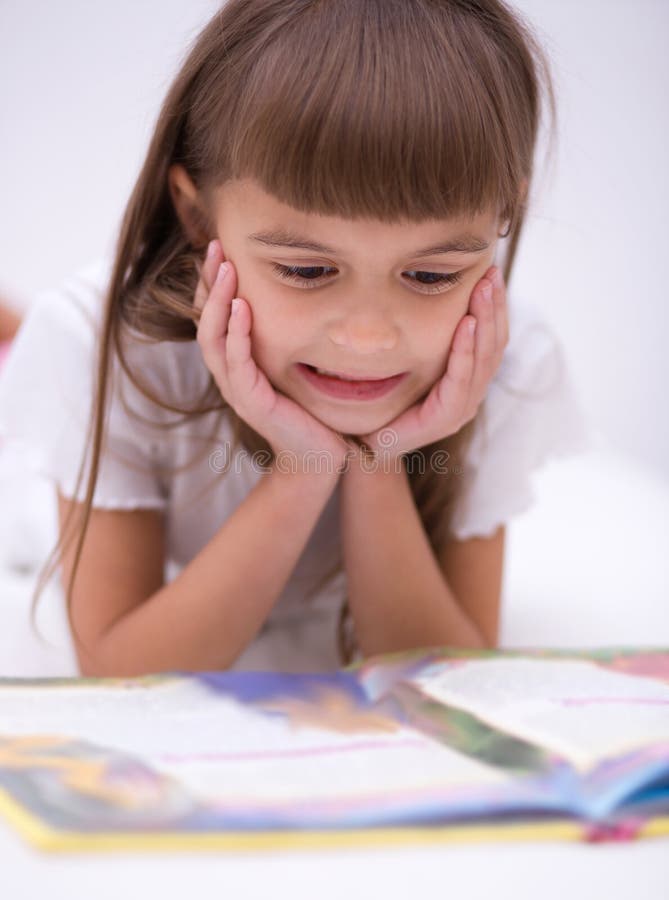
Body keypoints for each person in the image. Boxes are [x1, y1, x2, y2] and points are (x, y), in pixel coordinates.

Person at [0, 0, 590, 678]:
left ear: (501, 221)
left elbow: (443, 676)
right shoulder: (98, 346)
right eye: (307, 270)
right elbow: (121, 673)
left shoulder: (506, 360)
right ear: (197, 217)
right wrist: (299, 473)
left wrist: (376, 457)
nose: (366, 338)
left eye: (430, 274)